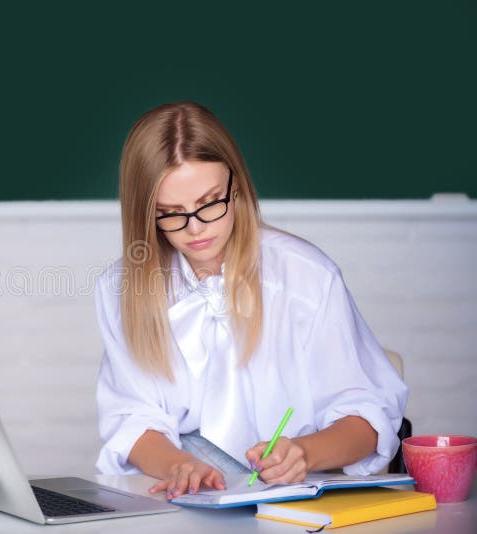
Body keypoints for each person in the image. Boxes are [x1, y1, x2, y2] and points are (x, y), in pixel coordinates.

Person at [94, 101, 408, 500]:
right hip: (187, 498)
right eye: (171, 213)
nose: (195, 229)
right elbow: (131, 418)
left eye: (210, 203)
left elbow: (369, 416)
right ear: (145, 216)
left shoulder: (306, 276)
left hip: (296, 495)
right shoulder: (122, 288)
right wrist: (180, 464)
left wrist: (303, 453)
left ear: (236, 185)